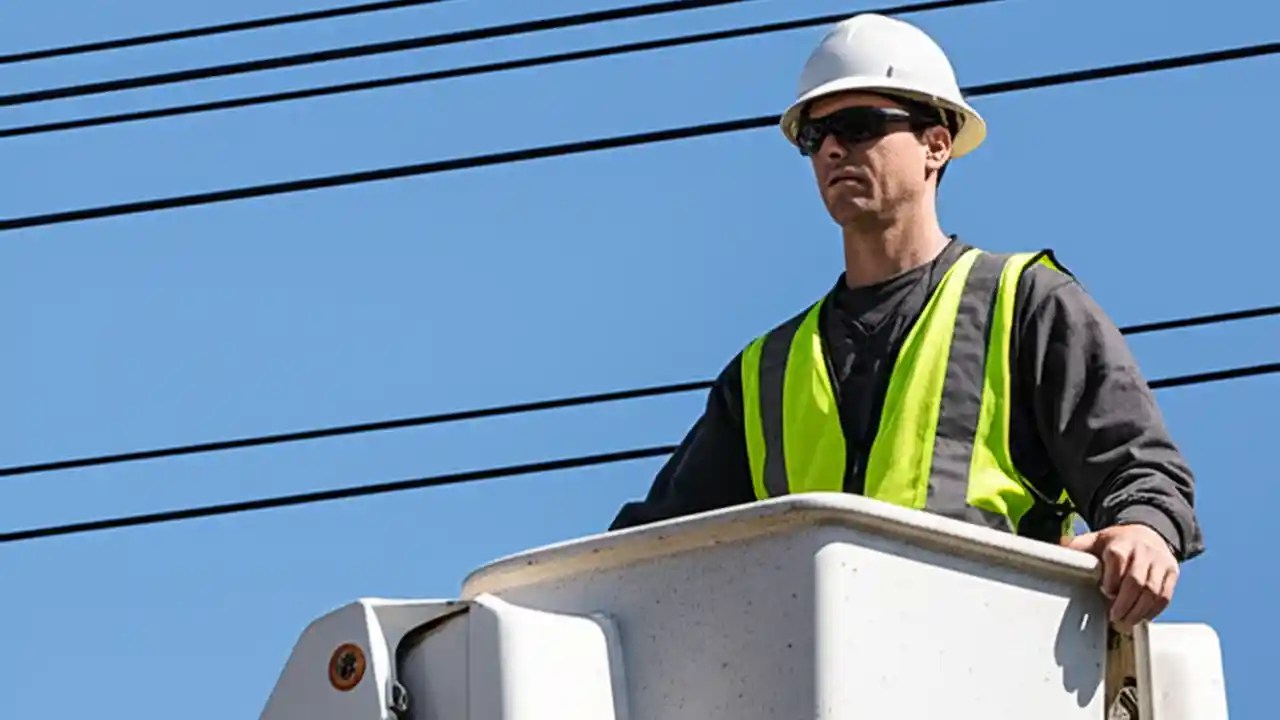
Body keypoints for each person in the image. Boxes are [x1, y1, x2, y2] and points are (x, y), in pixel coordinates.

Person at [608, 13, 1204, 630]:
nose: (833, 148)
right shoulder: (766, 373)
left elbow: (1137, 466)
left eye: (858, 127)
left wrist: (1144, 529)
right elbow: (655, 549)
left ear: (936, 144)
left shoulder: (1023, 302)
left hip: (988, 666)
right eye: (815, 137)